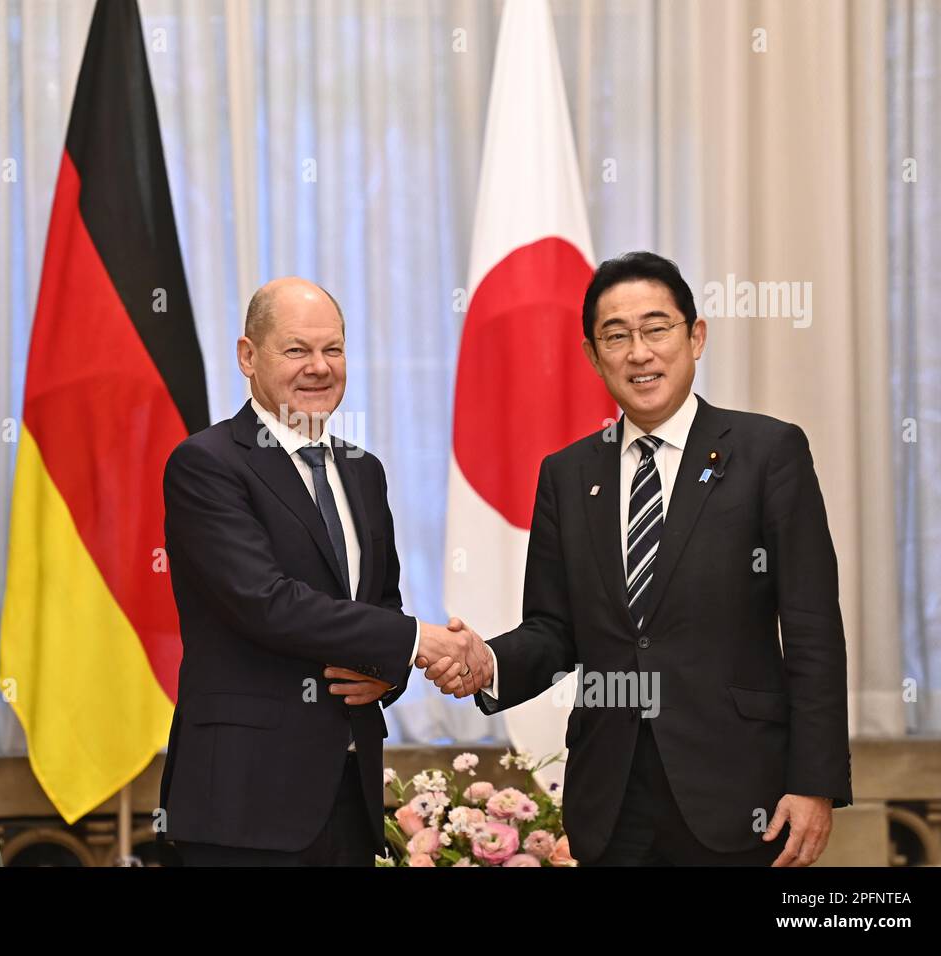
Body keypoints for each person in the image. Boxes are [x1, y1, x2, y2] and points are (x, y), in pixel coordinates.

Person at [425, 251, 852, 866]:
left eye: (656, 329)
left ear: (695, 336)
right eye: (616, 336)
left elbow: (813, 628)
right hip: (612, 799)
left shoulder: (768, 453)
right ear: (594, 355)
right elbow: (555, 630)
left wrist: (814, 782)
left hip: (739, 796)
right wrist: (487, 660)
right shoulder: (568, 474)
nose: (639, 352)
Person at [159, 276, 475, 866]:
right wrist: (416, 642)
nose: (319, 367)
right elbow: (266, 602)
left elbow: (379, 604)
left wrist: (389, 673)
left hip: (349, 797)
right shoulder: (207, 464)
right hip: (243, 804)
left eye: (333, 349)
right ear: (248, 357)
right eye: (297, 349)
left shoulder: (363, 471)